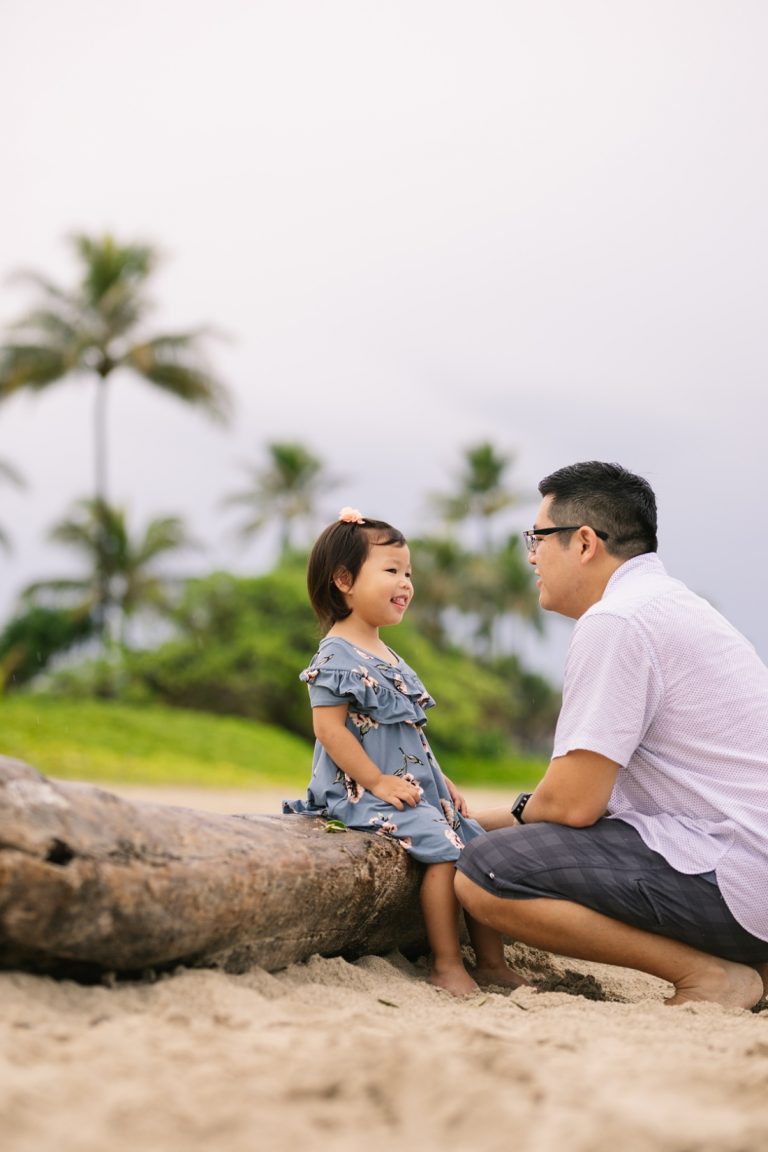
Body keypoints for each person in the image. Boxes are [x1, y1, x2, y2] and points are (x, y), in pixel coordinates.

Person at [456, 461, 768, 1009]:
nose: (531, 556)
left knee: (486, 871)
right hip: (748, 865)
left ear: (583, 543)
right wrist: (477, 817)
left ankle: (710, 976)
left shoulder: (618, 620)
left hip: (737, 877)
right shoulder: (670, 604)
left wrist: (469, 828)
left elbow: (573, 806)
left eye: (537, 538)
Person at [284, 506, 522, 995]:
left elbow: (410, 734)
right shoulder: (335, 654)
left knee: (478, 846)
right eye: (391, 570)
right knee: (444, 852)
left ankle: (491, 962)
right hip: (359, 791)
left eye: (408, 573)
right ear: (344, 580)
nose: (405, 583)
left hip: (410, 786)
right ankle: (446, 963)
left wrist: (441, 779)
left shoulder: (390, 655)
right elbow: (329, 730)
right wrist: (375, 781)